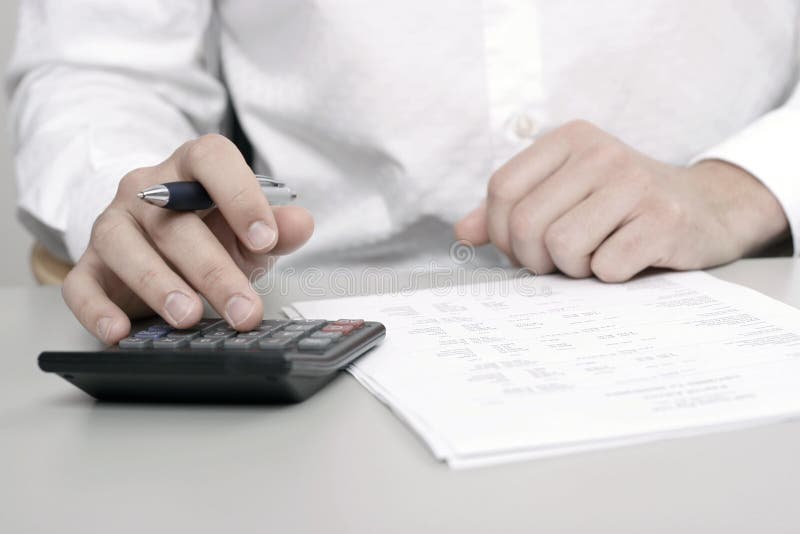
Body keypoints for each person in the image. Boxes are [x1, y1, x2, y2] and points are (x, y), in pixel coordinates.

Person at [6, 1, 795, 343]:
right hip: (297, 317)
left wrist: (743, 186)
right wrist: (126, 189)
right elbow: (99, 68)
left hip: (742, 287)